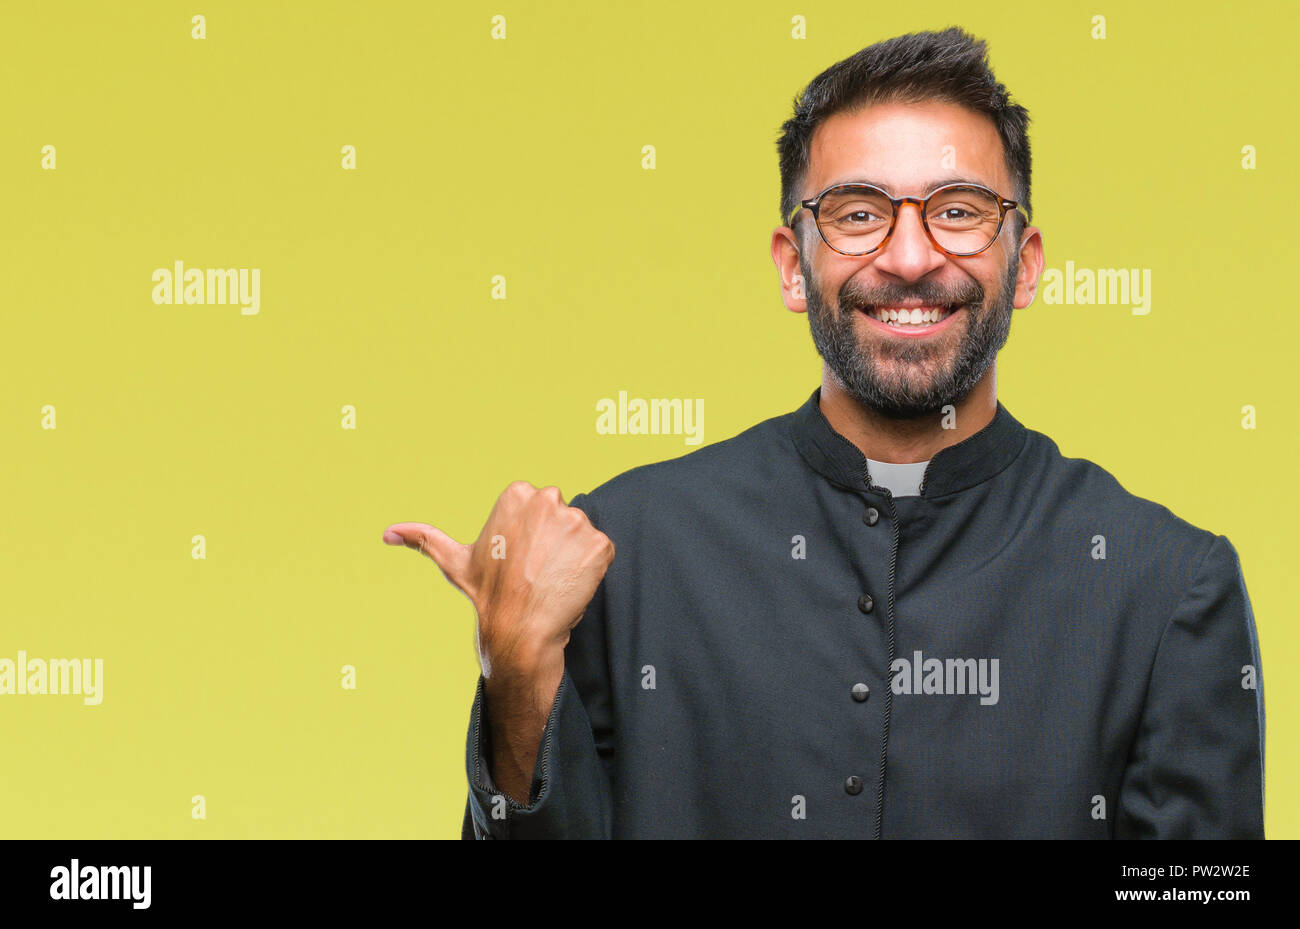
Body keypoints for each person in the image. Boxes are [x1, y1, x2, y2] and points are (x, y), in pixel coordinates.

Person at [383, 27, 1265, 839]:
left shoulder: (1168, 587)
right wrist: (518, 672)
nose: (911, 257)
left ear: (1024, 264)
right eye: (856, 212)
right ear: (792, 266)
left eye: (958, 210)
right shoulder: (622, 555)